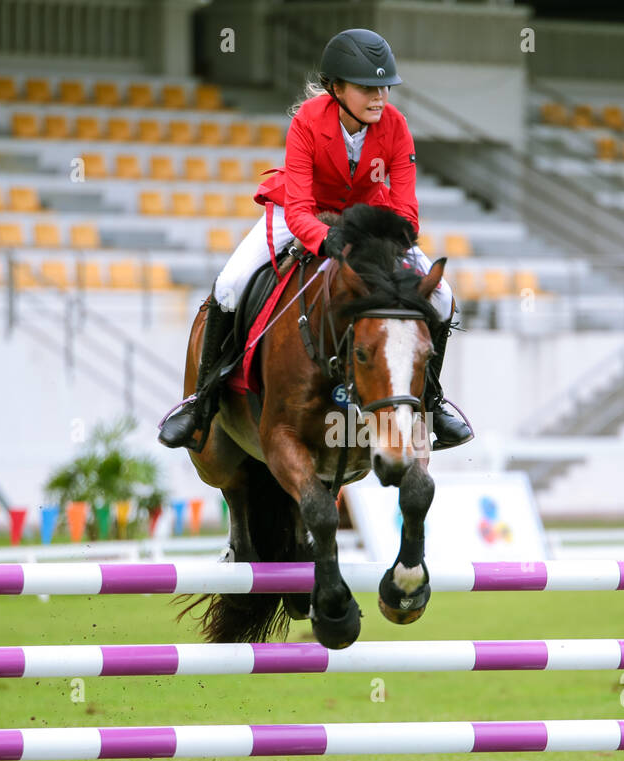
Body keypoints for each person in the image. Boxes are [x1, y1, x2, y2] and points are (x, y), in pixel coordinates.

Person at [158, 28, 473, 451]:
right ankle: (202, 402)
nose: (379, 97)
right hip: (299, 213)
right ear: (335, 88)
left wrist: (380, 243)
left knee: (442, 298)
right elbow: (302, 210)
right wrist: (330, 241)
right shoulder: (308, 120)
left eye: (384, 87)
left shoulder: (396, 127)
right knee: (230, 285)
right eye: (367, 88)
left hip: (367, 220)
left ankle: (431, 402)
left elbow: (405, 213)